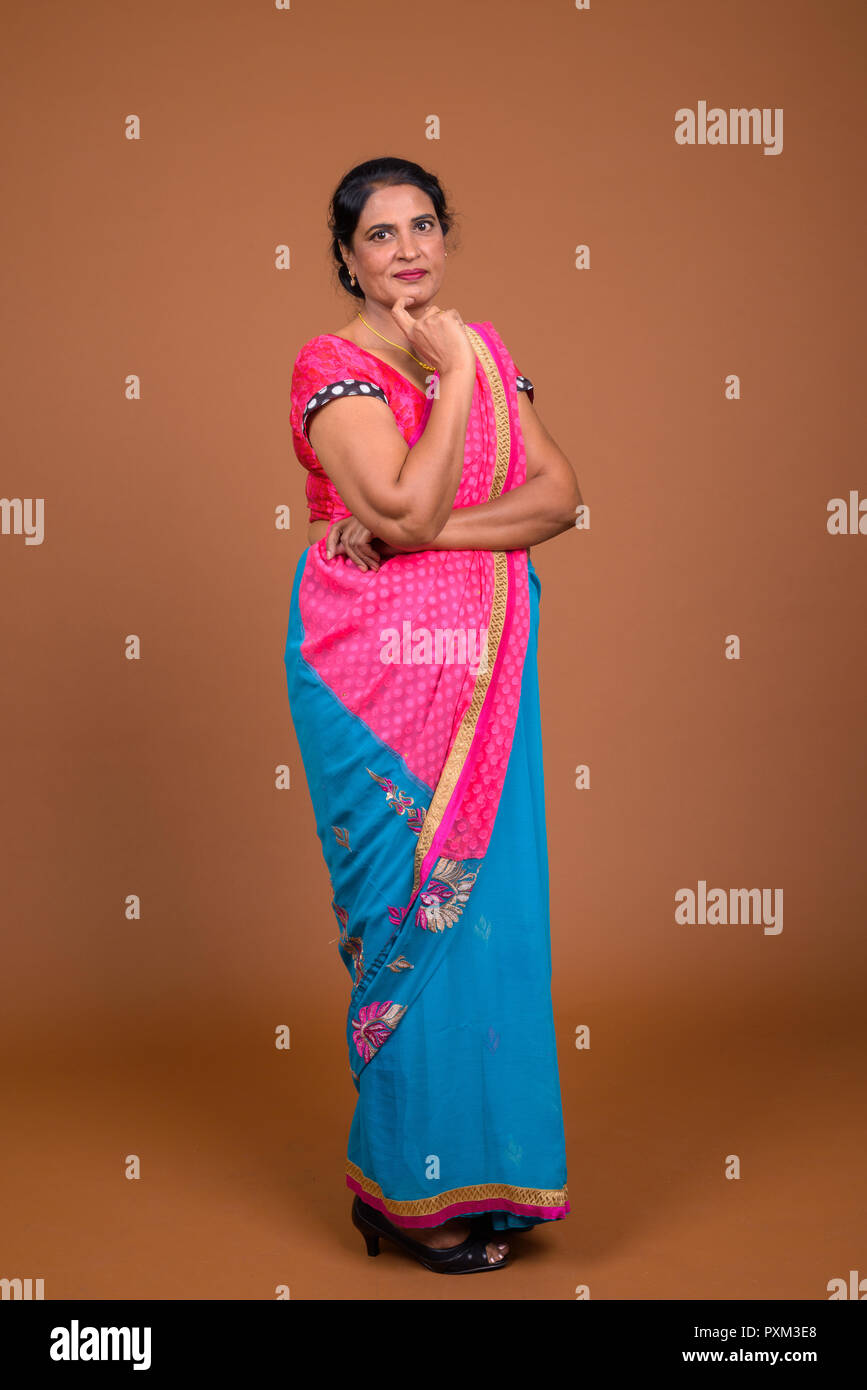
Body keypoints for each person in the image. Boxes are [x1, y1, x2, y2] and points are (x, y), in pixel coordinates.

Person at [284, 156, 582, 1274]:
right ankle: (403, 1189)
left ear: (445, 238)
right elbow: (401, 498)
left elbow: (561, 496)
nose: (406, 249)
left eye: (423, 227)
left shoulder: (487, 347)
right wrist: (452, 374)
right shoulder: (333, 364)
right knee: (413, 919)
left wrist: (429, 534)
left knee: (494, 925)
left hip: (487, 671)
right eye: (379, 235)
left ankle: (490, 1174)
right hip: (373, 678)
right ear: (347, 259)